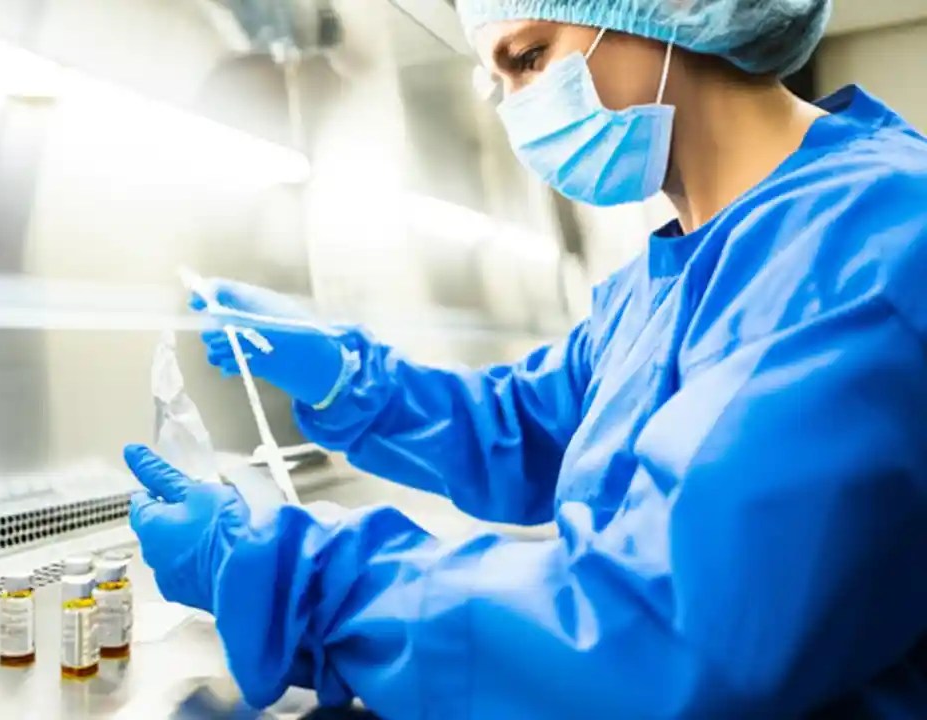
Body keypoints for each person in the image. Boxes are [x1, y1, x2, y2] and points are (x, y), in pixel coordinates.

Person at [124, 0, 927, 716]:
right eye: (498, 81)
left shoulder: (872, 243)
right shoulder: (662, 278)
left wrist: (294, 583)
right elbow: (521, 426)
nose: (518, 113)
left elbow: (663, 640)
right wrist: (347, 375)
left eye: (530, 57)